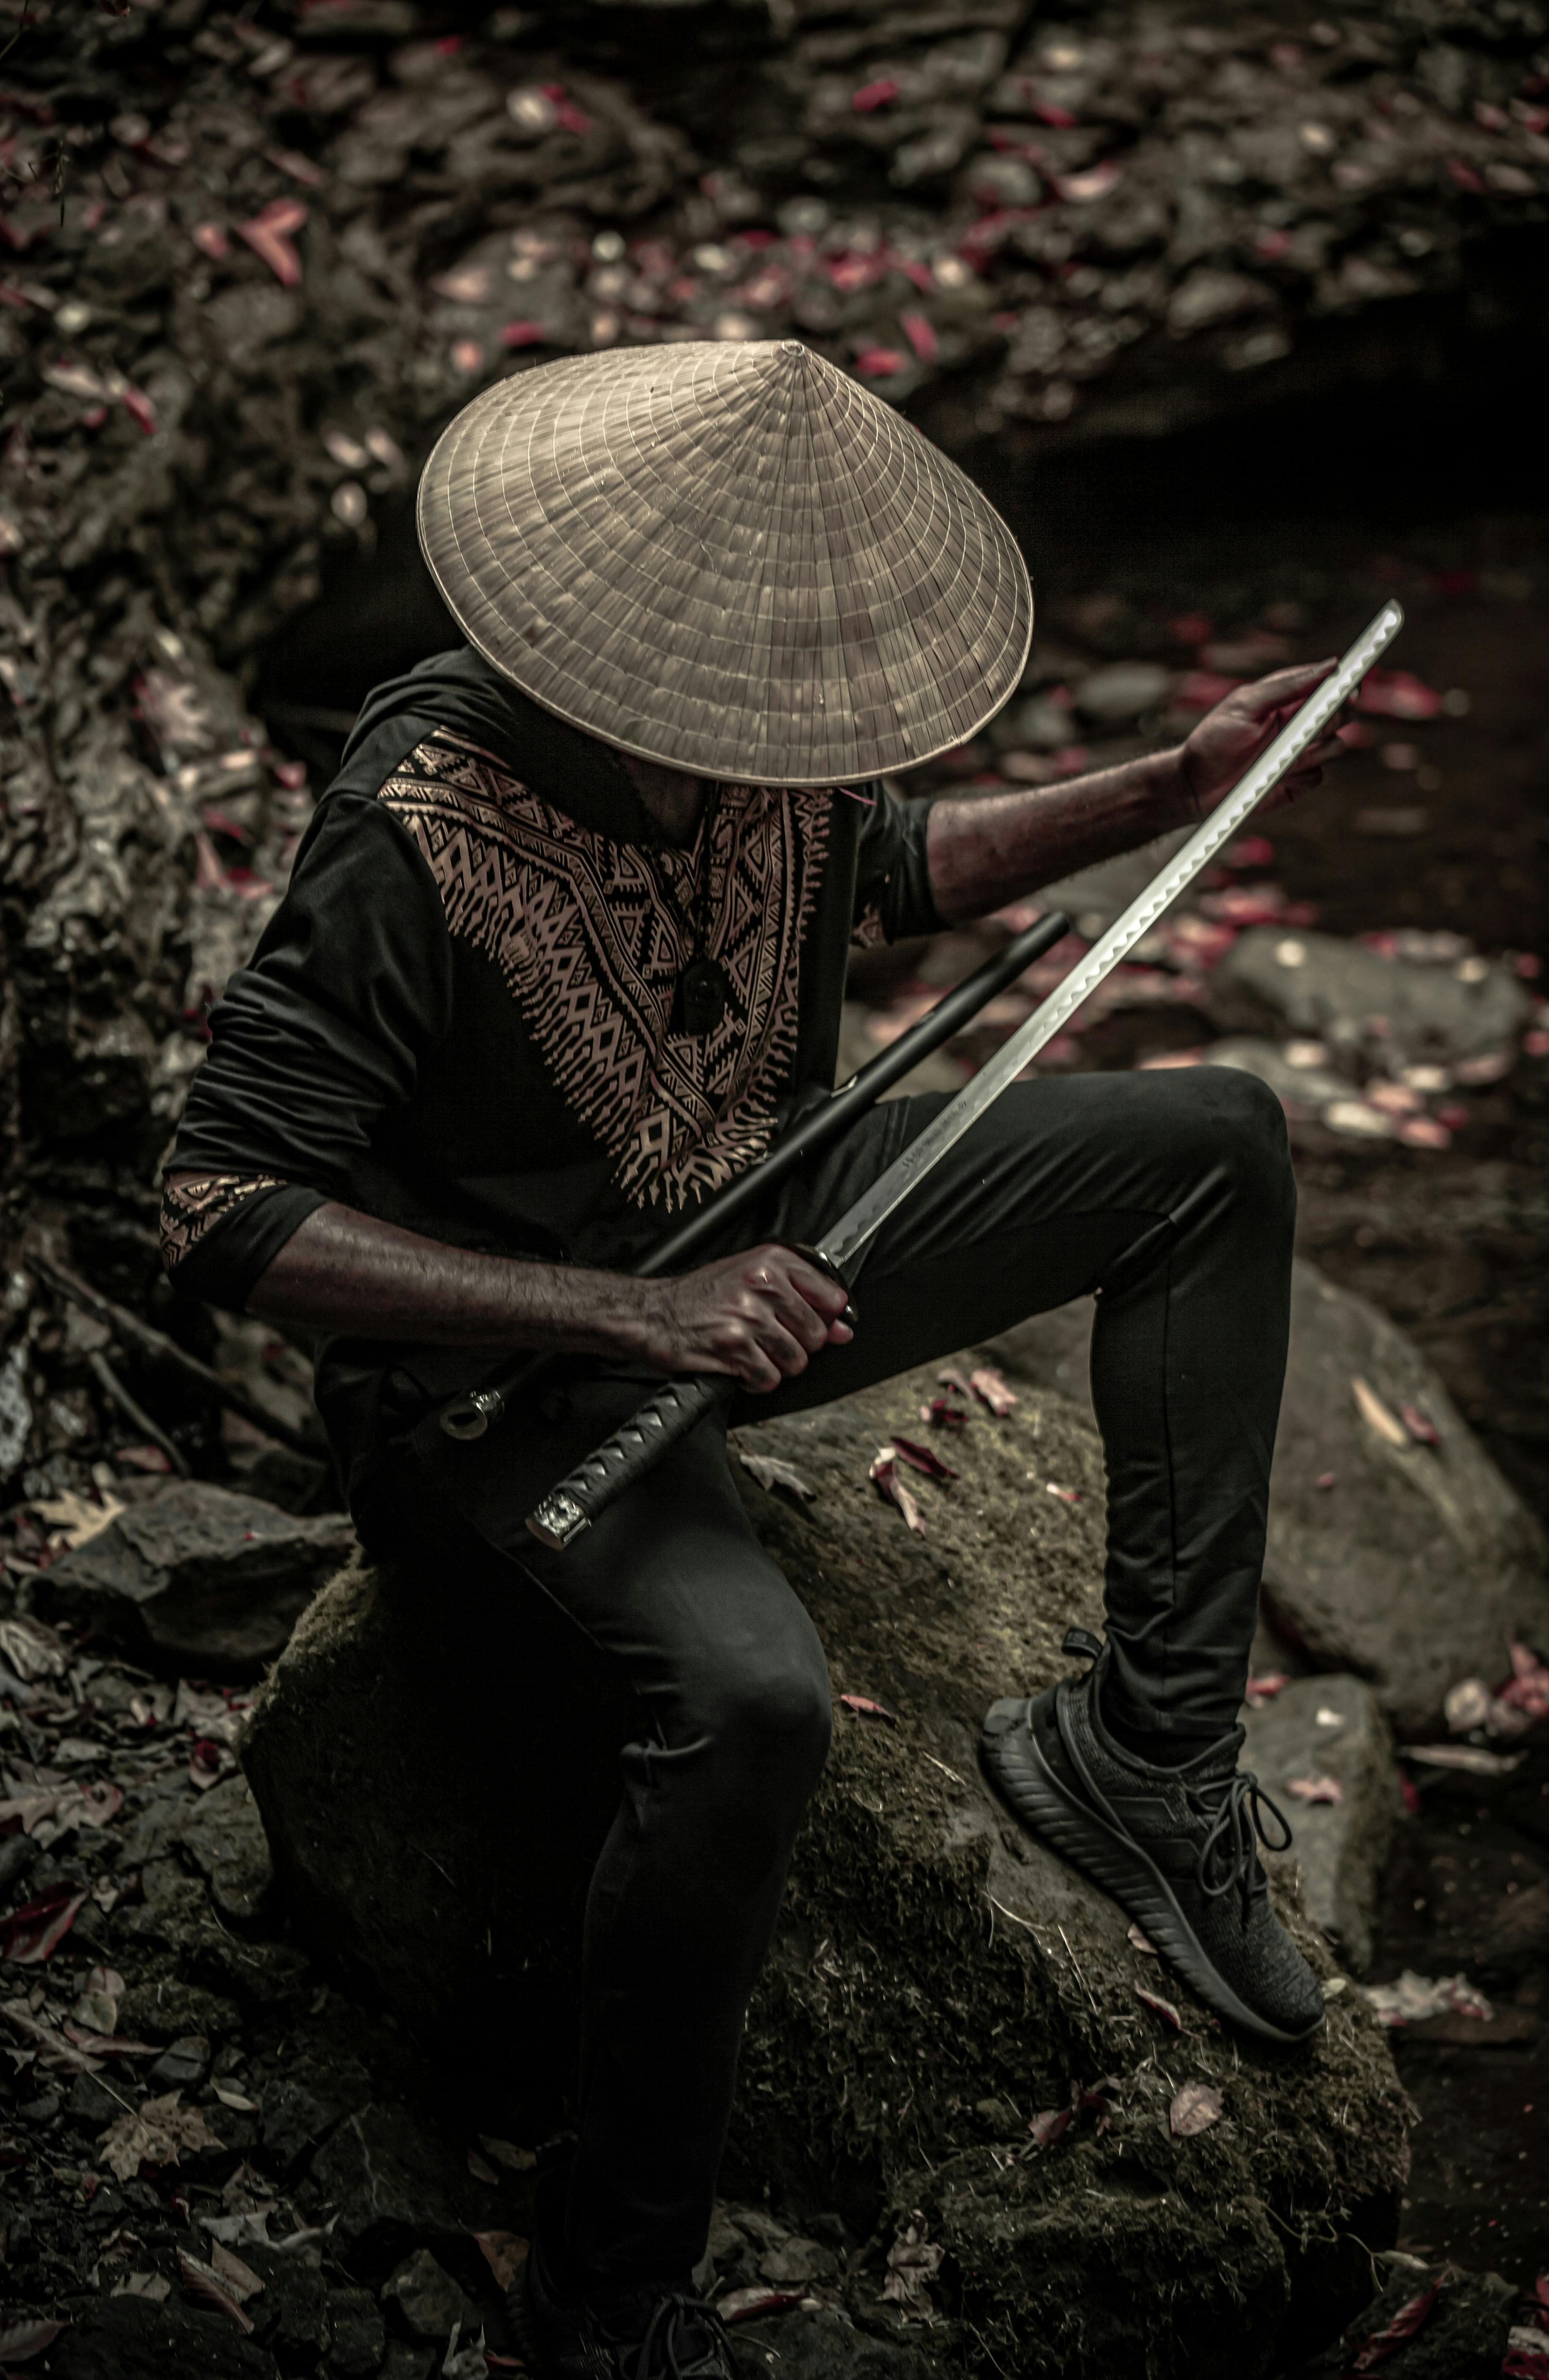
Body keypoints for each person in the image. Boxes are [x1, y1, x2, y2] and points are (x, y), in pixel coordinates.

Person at [162, 341, 1345, 2380]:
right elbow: (220, 1213)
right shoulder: (419, 810)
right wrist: (633, 1314)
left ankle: (1148, 1765)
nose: (785, 722)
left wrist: (1165, 790)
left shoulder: (769, 721)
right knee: (753, 1701)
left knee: (1215, 1145)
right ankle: (611, 2284)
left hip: (777, 1216)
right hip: (514, 1371)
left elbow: (886, 867)